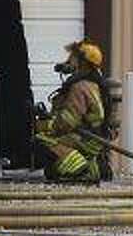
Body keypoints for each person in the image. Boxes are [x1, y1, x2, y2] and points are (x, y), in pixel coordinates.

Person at [34, 39, 114, 183]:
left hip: (85, 138)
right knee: (52, 167)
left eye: (72, 58)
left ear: (82, 63)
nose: (68, 62)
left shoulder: (80, 87)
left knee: (40, 140)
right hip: (94, 139)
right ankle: (93, 167)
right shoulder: (96, 84)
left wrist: (43, 125)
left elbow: (66, 123)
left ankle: (80, 169)